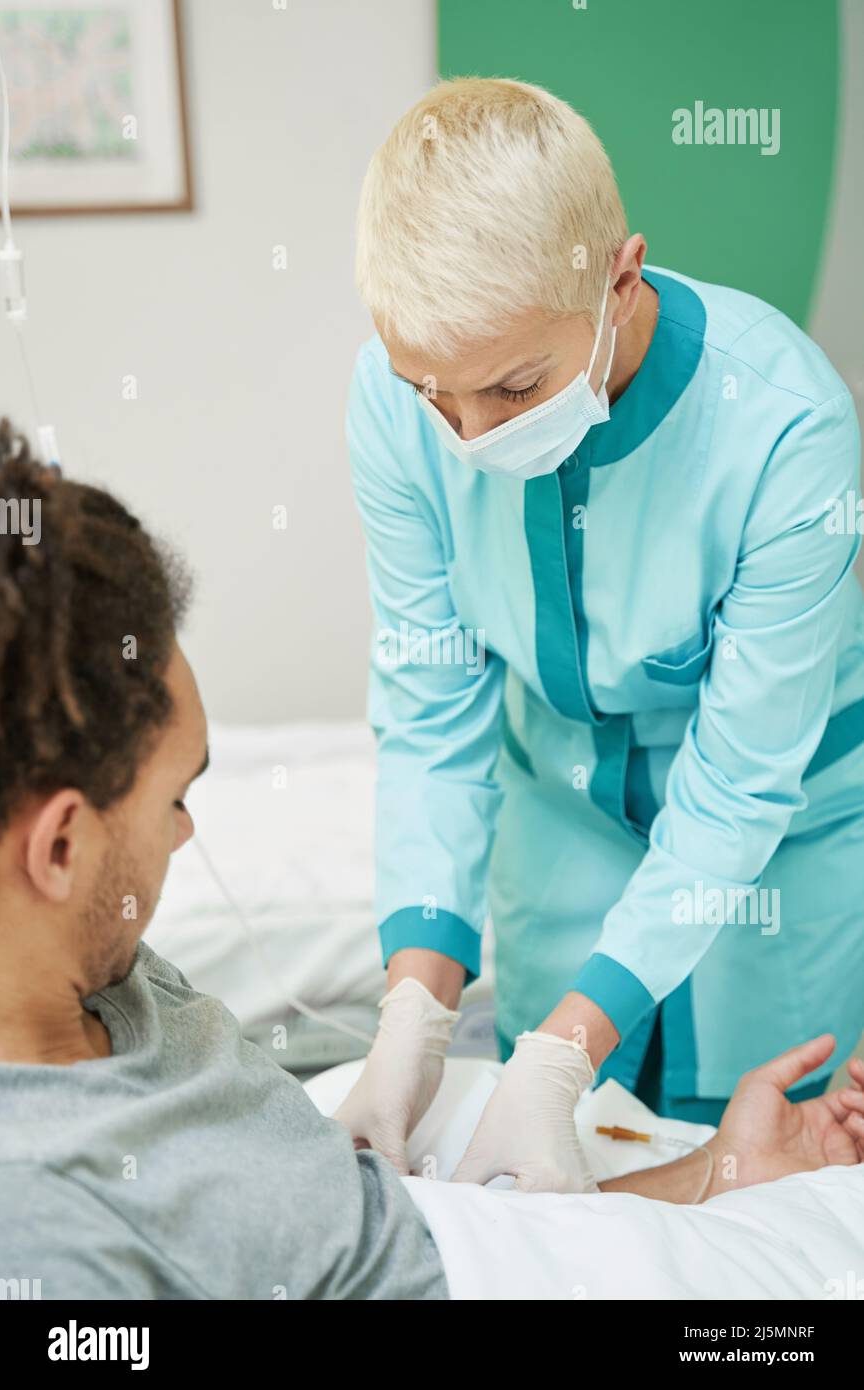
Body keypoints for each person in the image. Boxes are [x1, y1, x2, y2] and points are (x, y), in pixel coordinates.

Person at [0, 421, 862, 1299]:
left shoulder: (111, 981)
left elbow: (388, 1243)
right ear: (61, 846)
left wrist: (715, 1174)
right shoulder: (54, 1228)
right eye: (176, 798)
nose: (185, 834)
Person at [337, 76, 864, 1192]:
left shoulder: (785, 429)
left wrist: (560, 1056)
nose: (466, 436)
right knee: (563, 1172)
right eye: (434, 394)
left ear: (618, 276)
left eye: (512, 386)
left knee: (766, 1181)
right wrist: (412, 1016)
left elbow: (735, 783)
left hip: (781, 839)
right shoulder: (392, 404)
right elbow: (432, 713)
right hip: (564, 812)